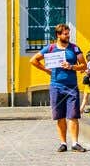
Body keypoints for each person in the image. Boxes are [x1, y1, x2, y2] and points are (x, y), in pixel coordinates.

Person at [32, 23, 86, 152]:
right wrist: (46, 70)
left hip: (71, 87)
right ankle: (63, 143)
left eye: (68, 34)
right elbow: (33, 60)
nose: (68, 36)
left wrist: (72, 66)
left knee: (73, 115)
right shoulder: (50, 48)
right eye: (65, 34)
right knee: (60, 116)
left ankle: (75, 143)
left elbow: (83, 65)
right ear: (58, 35)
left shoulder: (74, 48)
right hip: (56, 86)